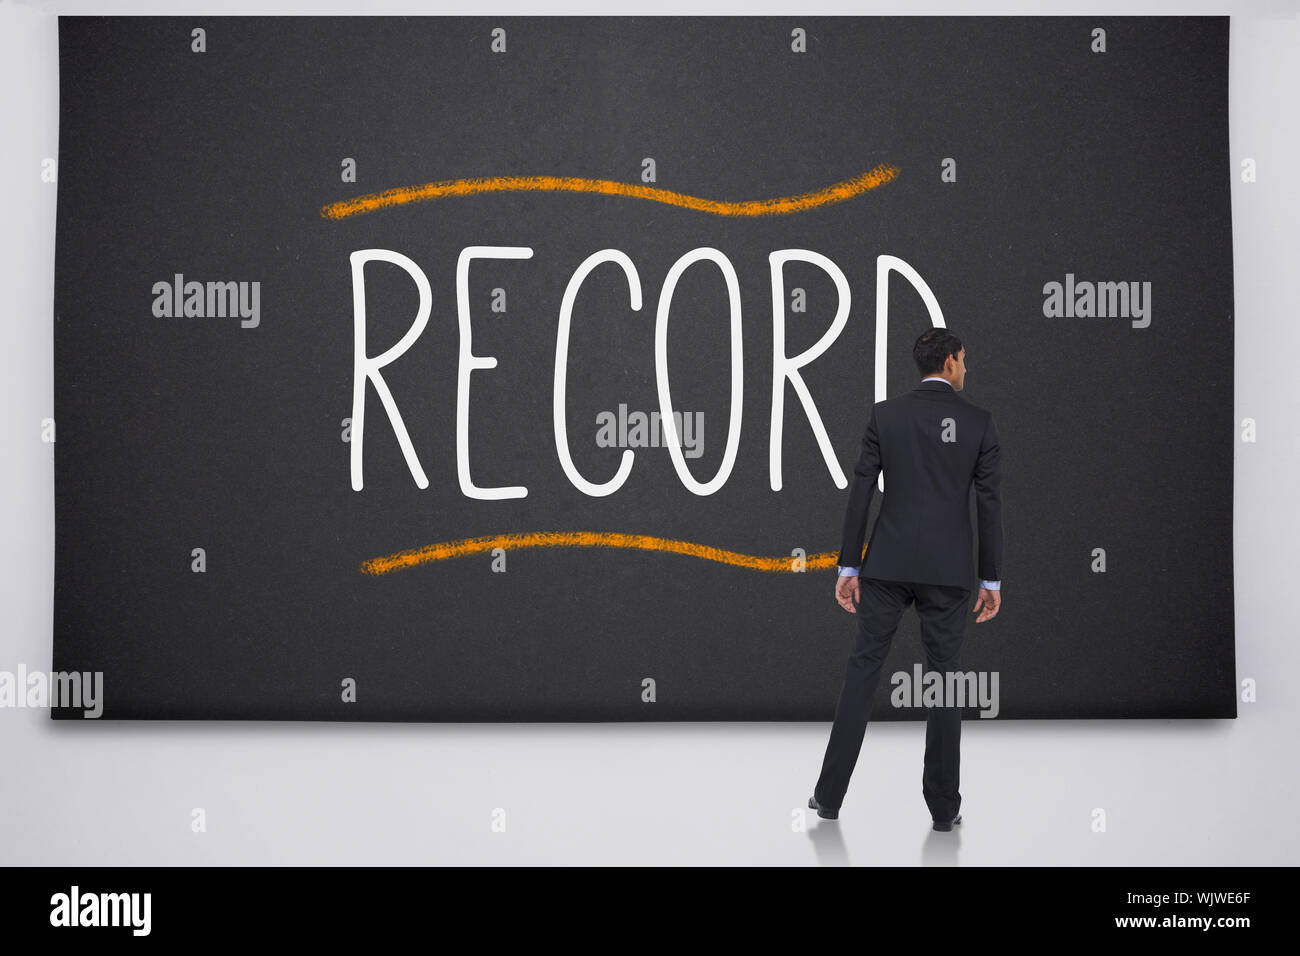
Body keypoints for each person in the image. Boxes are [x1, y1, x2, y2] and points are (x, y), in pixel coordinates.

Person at [809, 328, 1003, 830]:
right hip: (948, 573)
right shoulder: (979, 423)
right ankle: (944, 811)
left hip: (887, 566)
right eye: (964, 359)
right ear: (952, 361)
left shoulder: (885, 416)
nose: (967, 367)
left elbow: (860, 493)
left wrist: (849, 565)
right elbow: (988, 506)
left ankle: (828, 797)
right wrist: (991, 579)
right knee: (945, 681)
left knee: (862, 672)